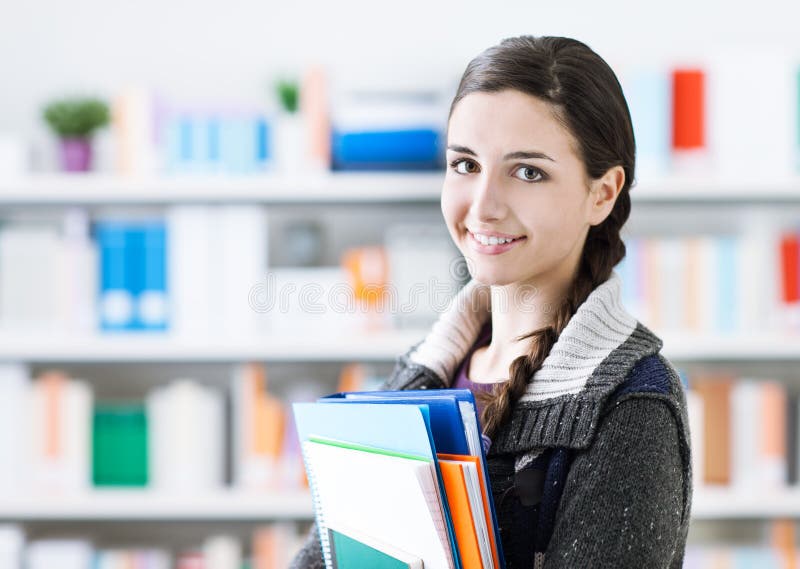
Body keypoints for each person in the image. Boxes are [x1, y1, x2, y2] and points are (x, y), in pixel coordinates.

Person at [290, 35, 692, 569]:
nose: (484, 206)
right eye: (465, 165)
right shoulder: (422, 372)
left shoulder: (632, 404)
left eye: (528, 172)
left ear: (603, 193)